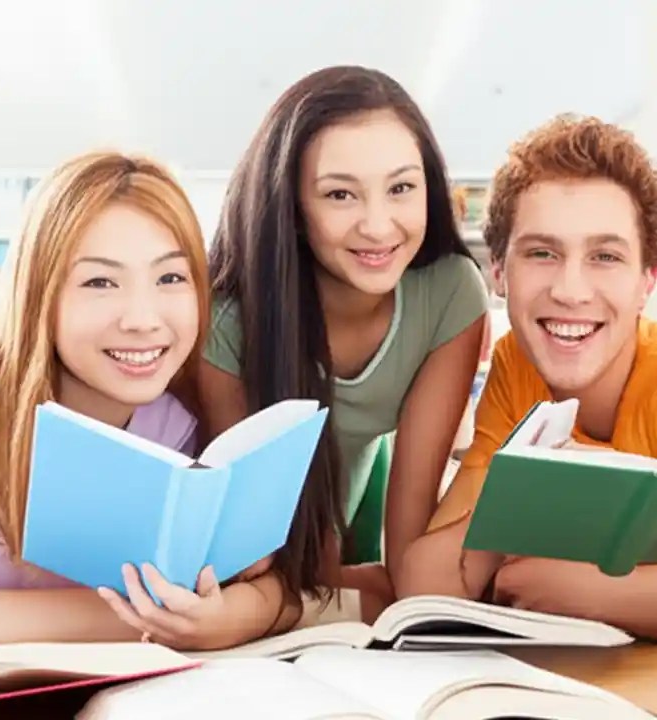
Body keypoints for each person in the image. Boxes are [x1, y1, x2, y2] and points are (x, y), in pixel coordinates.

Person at [397, 114, 657, 641]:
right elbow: (424, 587)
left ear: (647, 281)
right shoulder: (517, 366)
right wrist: (529, 496)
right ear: (498, 272)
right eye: (542, 254)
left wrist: (596, 594)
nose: (571, 290)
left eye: (605, 257)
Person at [0, 151, 293, 652]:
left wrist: (226, 615)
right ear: (41, 292)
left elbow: (272, 587)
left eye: (171, 278)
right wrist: (128, 619)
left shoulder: (177, 423)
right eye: (100, 282)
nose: (142, 318)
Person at [199, 65, 488, 613]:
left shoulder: (450, 292)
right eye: (340, 195)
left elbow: (407, 543)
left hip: (342, 525)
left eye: (401, 188)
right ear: (293, 207)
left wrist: (401, 590)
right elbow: (256, 540)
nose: (378, 226)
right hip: (252, 557)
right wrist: (349, 577)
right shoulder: (226, 319)